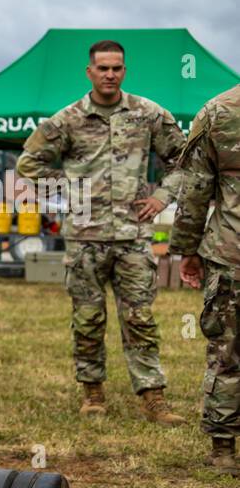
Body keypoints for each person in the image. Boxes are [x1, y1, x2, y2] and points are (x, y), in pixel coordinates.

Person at [16, 40, 187, 424]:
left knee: (140, 317)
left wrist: (161, 197)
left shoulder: (148, 114)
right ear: (89, 72)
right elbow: (29, 162)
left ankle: (153, 396)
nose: (110, 74)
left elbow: (183, 160)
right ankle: (92, 392)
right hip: (85, 236)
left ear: (124, 71)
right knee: (88, 318)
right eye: (103, 68)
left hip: (133, 236)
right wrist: (69, 186)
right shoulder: (68, 119)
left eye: (117, 68)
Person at [171, 82, 240, 474]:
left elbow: (196, 191)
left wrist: (187, 248)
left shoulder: (218, 111)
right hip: (231, 255)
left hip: (230, 255)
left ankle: (223, 449)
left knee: (226, 352)